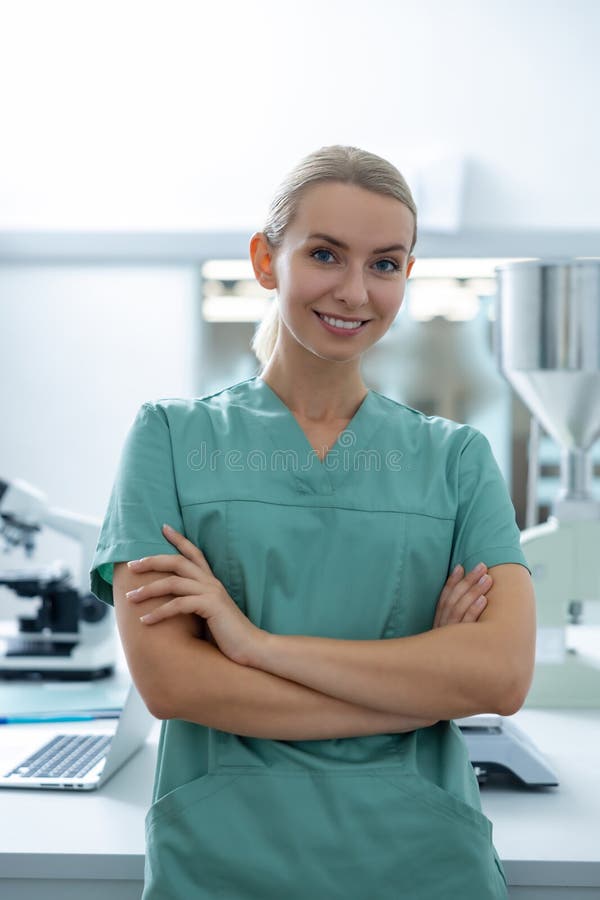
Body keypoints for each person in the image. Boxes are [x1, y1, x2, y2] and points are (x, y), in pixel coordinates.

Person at [89, 145, 535, 899]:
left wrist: (254, 645)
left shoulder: (455, 457)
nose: (355, 291)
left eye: (386, 264)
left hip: (422, 860)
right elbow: (171, 684)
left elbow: (500, 675)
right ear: (267, 260)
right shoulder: (168, 439)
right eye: (326, 254)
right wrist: (420, 683)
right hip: (223, 859)